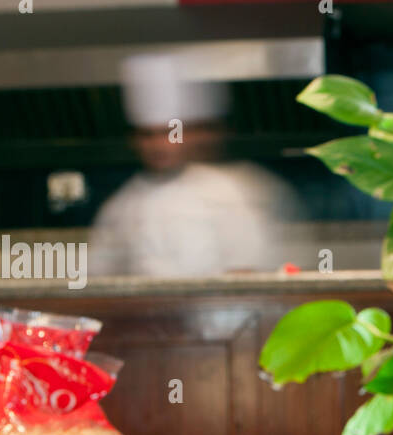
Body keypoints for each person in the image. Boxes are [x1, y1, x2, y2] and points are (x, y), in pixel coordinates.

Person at [89, 50, 300, 277]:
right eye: (147, 135)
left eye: (169, 133)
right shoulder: (123, 204)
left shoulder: (234, 191)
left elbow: (249, 272)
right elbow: (98, 277)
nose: (158, 145)